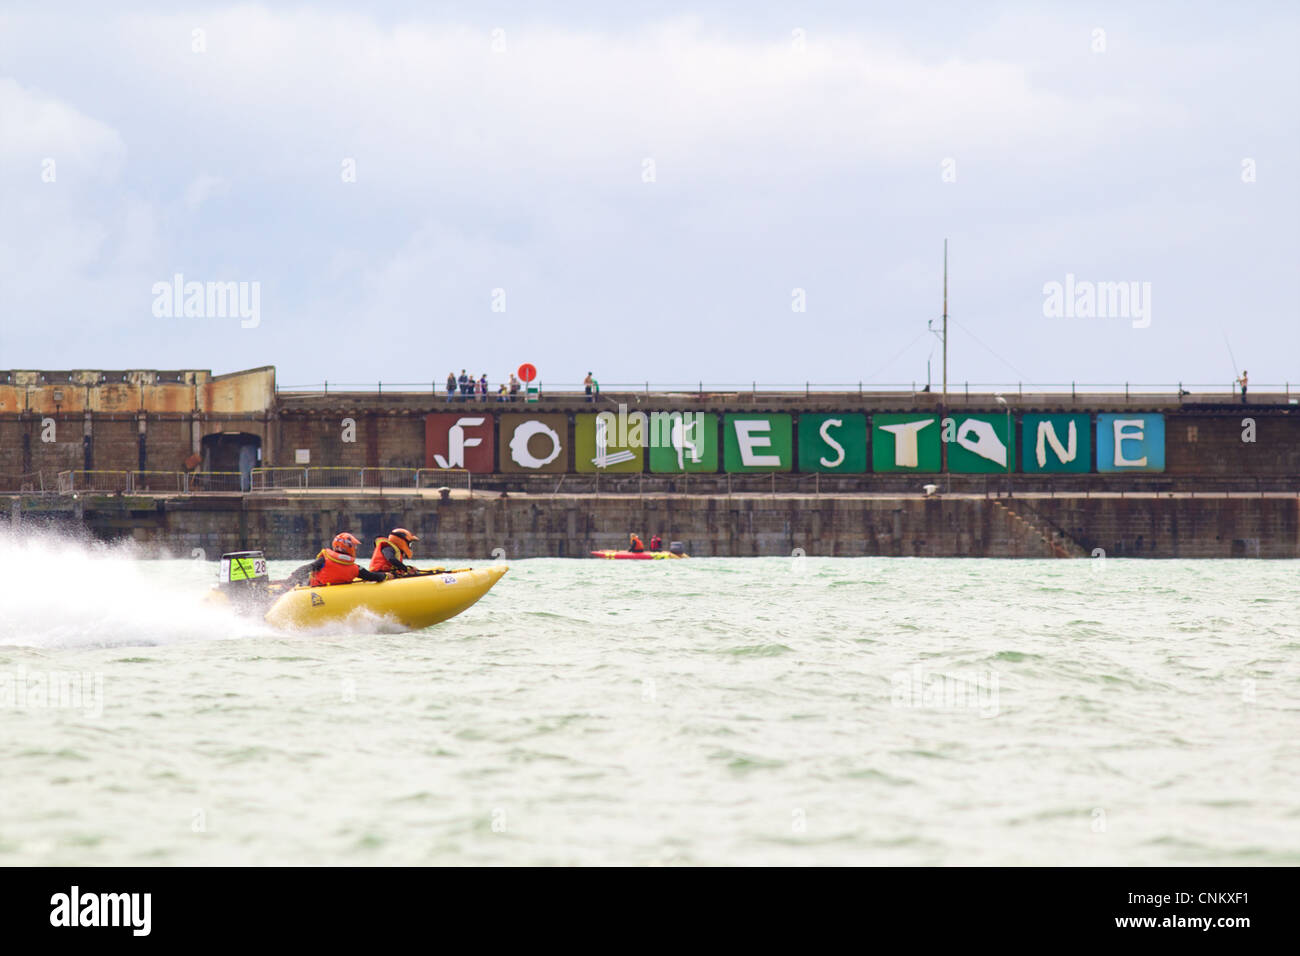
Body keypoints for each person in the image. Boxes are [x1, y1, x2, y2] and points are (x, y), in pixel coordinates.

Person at [285, 533, 389, 587]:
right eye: (353, 546)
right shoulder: (355, 568)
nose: (355, 549)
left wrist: (291, 578)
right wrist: (387, 575)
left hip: (316, 587)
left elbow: (305, 569)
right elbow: (374, 577)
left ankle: (285, 587)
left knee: (304, 576)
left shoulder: (324, 560)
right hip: (325, 591)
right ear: (348, 547)